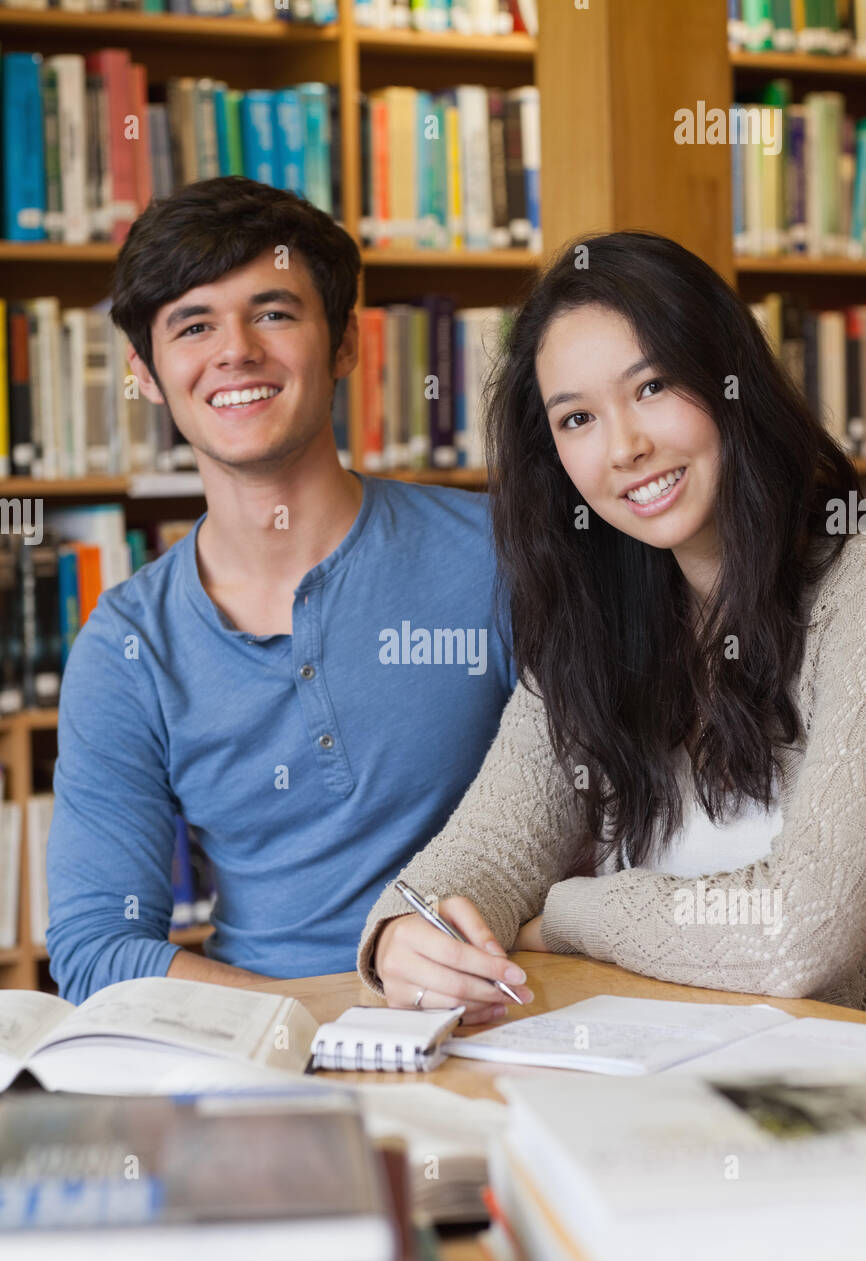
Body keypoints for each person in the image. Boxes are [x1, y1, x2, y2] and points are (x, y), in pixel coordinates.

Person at [359, 229, 866, 1018]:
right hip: (661, 1070)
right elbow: (493, 846)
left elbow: (798, 930)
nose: (625, 448)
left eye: (654, 386)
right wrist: (403, 933)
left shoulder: (854, 583)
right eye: (576, 420)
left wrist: (569, 916)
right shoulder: (591, 614)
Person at [46, 175, 524, 1005]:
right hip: (263, 1052)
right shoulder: (127, 645)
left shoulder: (502, 556)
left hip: (498, 1014)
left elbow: (610, 816)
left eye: (272, 313)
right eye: (193, 325)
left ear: (343, 344)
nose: (235, 350)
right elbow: (96, 947)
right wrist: (324, 1021)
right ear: (149, 374)